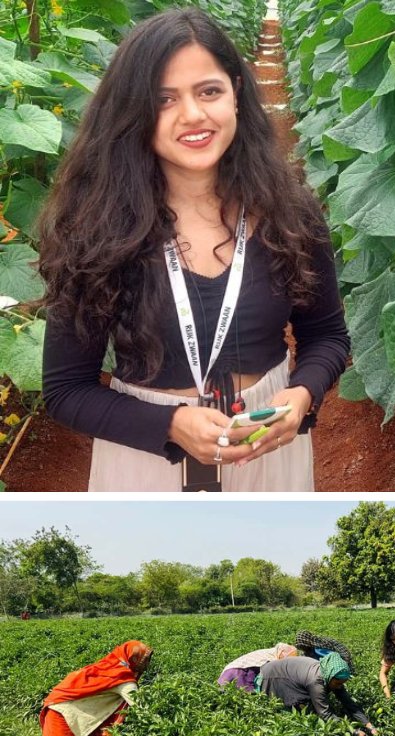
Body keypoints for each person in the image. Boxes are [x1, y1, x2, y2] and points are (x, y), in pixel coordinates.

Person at [39, 8, 349, 492]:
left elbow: (327, 335)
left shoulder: (291, 213)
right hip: (145, 459)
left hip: (265, 449)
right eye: (164, 99)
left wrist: (302, 394)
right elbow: (65, 389)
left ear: (237, 94)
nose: (193, 115)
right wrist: (170, 424)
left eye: (209, 91)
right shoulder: (95, 230)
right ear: (133, 112)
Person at [256, 652, 377, 736]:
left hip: (287, 673)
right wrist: (353, 732)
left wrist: (369, 726)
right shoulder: (316, 681)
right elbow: (325, 714)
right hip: (273, 676)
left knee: (311, 706)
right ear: (330, 676)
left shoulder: (330, 674)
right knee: (287, 711)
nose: (341, 686)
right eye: (338, 683)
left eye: (343, 683)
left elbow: (348, 703)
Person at [217, 642, 297, 692]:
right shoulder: (271, 657)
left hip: (231, 671)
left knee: (224, 692)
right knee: (244, 695)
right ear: (281, 652)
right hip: (238, 672)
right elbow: (253, 671)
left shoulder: (269, 653)